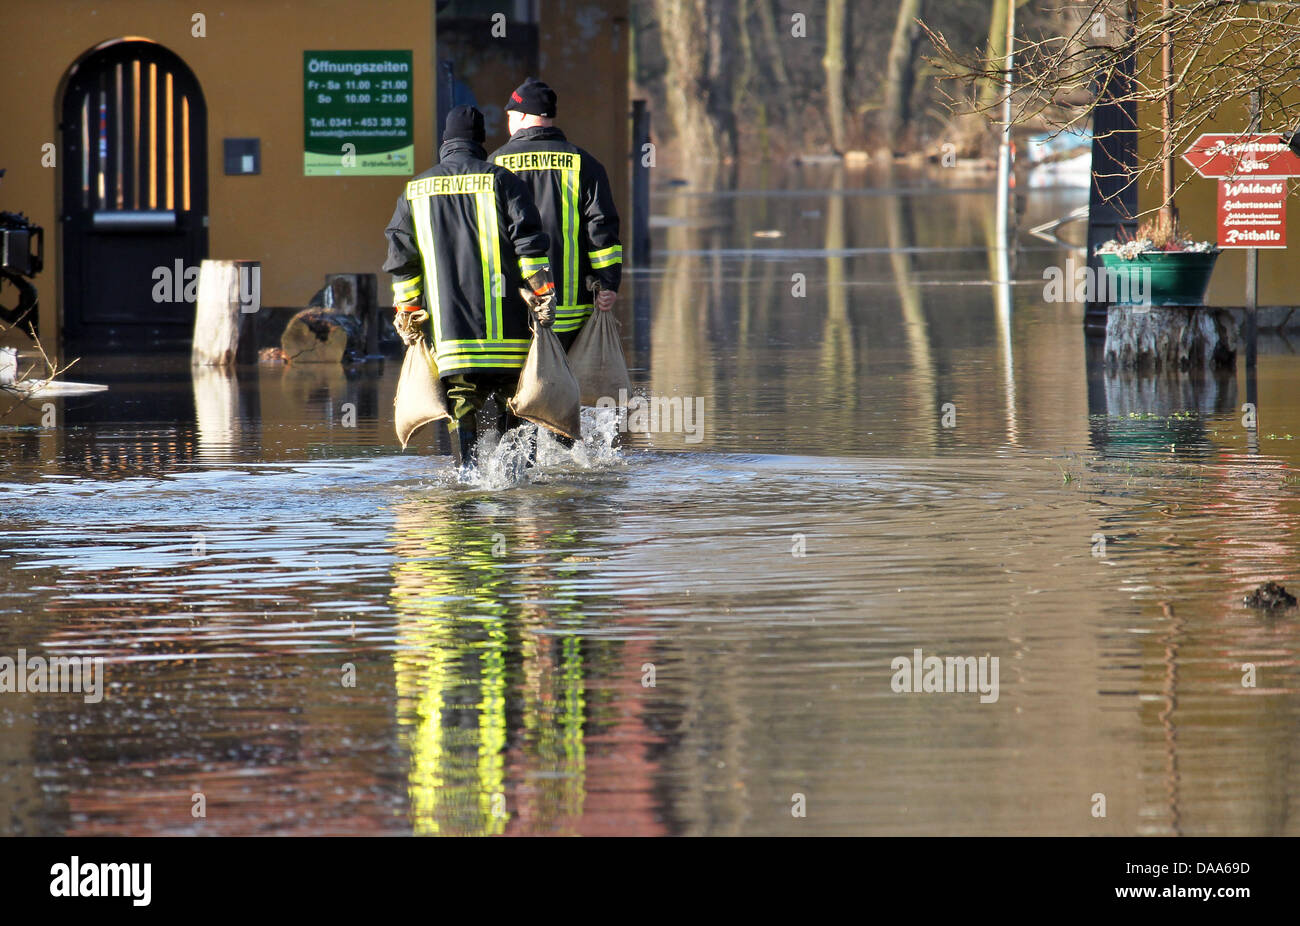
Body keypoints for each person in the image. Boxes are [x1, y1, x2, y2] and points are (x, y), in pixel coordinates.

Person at [384, 105, 556, 468]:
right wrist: (542, 295)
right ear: (481, 141)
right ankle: (517, 478)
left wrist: (408, 311)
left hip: (452, 337)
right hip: (509, 330)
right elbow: (529, 246)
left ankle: (468, 474)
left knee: (462, 405)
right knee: (517, 403)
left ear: (446, 142)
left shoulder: (415, 191)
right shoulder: (503, 180)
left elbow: (402, 262)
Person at [489, 78, 622, 351]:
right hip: (573, 311)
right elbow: (601, 228)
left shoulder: (495, 165)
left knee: (522, 390)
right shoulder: (585, 164)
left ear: (524, 116)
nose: (509, 123)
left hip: (515, 306)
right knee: (574, 389)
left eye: (511, 116)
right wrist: (608, 283)